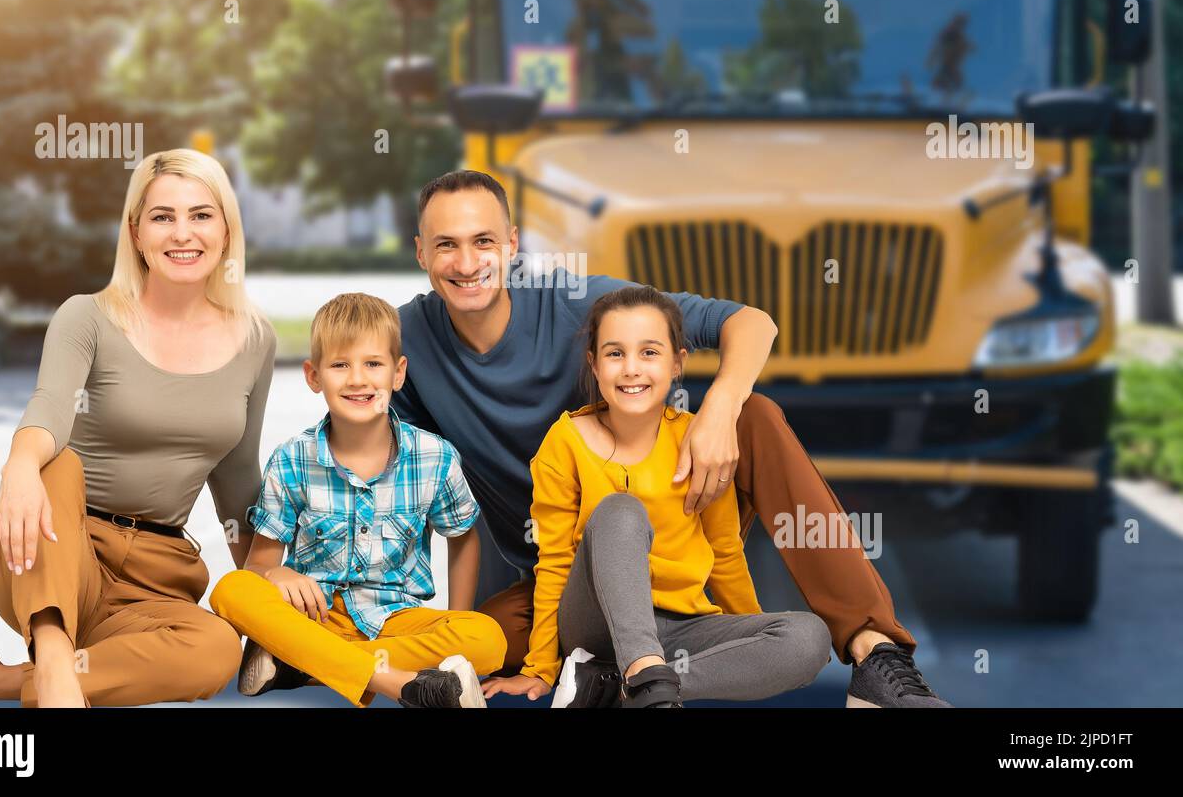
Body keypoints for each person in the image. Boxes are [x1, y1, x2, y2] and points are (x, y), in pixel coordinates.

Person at [392, 170, 951, 708]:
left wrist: (717, 411)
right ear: (421, 253)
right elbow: (392, 471)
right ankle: (620, 674)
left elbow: (752, 323)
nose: (467, 263)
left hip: (682, 529)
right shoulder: (404, 345)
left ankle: (873, 648)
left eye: (483, 240)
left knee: (754, 416)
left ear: (513, 244)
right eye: (447, 245)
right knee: (477, 647)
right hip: (569, 578)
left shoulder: (583, 306)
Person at [0, 149, 276, 708]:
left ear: (226, 229)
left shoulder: (255, 340)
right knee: (57, 460)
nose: (182, 233)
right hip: (53, 552)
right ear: (136, 232)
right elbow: (48, 410)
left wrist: (267, 586)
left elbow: (238, 477)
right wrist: (19, 464)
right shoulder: (87, 317)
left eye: (201, 214)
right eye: (163, 216)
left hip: (156, 582)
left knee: (214, 649)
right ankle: (51, 653)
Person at [483, 285, 833, 707]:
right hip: (597, 625)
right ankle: (643, 675)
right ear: (594, 364)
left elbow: (724, 552)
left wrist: (751, 633)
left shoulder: (699, 440)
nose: (632, 369)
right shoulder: (566, 441)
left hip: (683, 628)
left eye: (649, 353)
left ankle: (630, 687)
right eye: (615, 354)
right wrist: (540, 670)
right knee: (620, 511)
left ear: (677, 363)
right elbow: (554, 562)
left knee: (808, 638)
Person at [209, 293, 505, 707]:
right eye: (339, 365)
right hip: (314, 618)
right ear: (314, 376)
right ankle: (400, 683)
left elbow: (463, 538)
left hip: (395, 620)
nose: (358, 380)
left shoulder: (435, 457)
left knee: (487, 639)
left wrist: (457, 629)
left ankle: (302, 665)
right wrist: (278, 577)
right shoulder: (293, 460)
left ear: (398, 373)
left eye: (373, 364)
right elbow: (259, 565)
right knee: (231, 588)